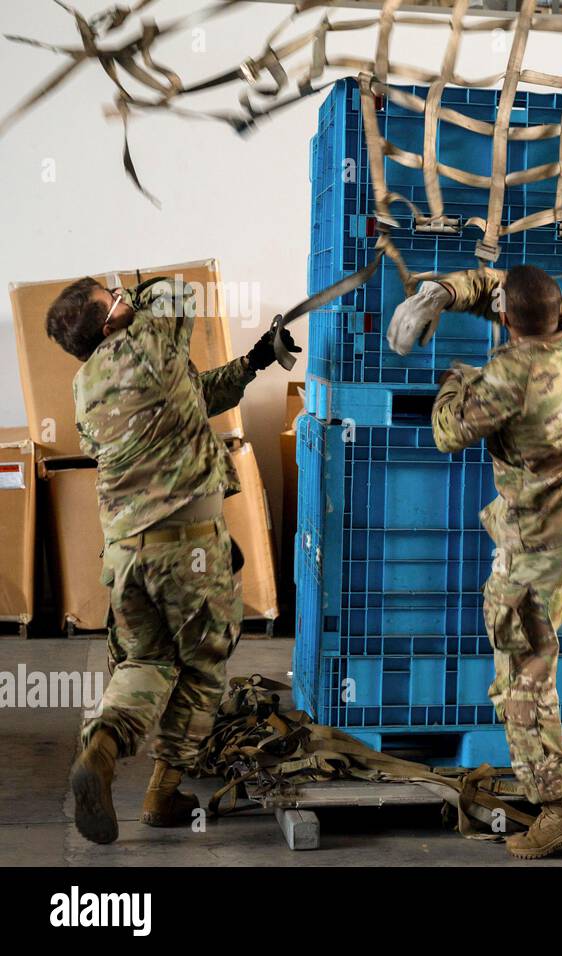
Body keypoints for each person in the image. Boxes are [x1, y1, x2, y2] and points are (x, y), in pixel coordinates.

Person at [387, 265, 562, 860]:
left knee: (524, 676)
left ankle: (559, 809)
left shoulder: (508, 374)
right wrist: (447, 293)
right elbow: (514, 291)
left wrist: (455, 379)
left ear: (504, 317)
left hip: (542, 555)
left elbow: (449, 431)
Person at [45, 274, 297, 844]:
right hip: (187, 549)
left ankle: (103, 748)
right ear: (109, 321)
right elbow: (180, 292)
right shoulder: (144, 343)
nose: (122, 297)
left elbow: (197, 394)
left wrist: (257, 358)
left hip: (128, 556)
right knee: (204, 667)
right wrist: (139, 294)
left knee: (146, 663)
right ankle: (161, 793)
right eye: (112, 297)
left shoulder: (89, 385)